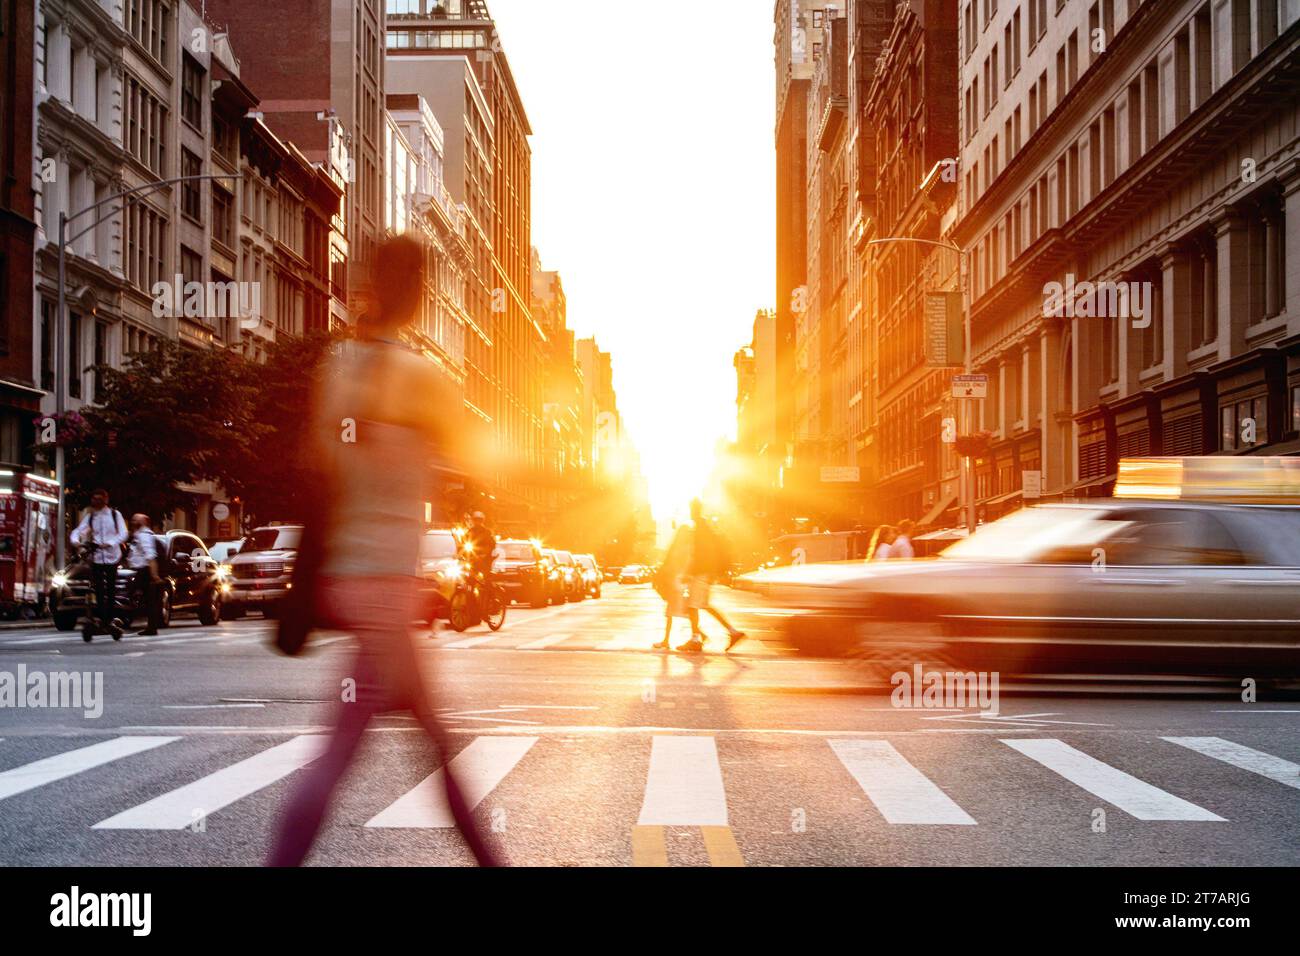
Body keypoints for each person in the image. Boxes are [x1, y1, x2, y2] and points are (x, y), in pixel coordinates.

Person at [267, 234, 498, 868]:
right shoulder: (417, 376)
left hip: (349, 577)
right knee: (392, 749)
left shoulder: (339, 366)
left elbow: (319, 469)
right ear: (420, 293)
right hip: (389, 591)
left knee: (406, 742)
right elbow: (484, 455)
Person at [678, 499, 745, 653]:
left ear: (695, 509)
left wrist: (690, 572)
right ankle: (733, 632)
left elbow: (700, 554)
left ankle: (695, 640)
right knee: (704, 605)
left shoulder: (701, 529)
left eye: (692, 509)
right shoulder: (704, 527)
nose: (690, 512)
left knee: (692, 607)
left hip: (701, 573)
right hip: (705, 573)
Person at [69, 489, 128, 637]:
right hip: (96, 557)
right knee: (98, 590)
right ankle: (102, 619)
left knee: (110, 590)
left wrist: (110, 543)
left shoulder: (115, 515)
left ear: (106, 500)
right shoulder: (91, 517)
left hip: (112, 557)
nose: (96, 502)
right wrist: (77, 542)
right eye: (94, 499)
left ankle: (109, 619)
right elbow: (78, 531)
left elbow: (123, 533)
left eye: (99, 500)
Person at [652, 521, 697, 650]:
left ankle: (696, 636)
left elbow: (682, 564)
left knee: (678, 612)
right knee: (679, 612)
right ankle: (696, 636)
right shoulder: (687, 547)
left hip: (679, 582)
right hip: (679, 582)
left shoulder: (683, 547)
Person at [127, 514, 162, 635]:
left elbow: (150, 555)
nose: (133, 521)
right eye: (133, 519)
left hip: (144, 571)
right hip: (141, 571)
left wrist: (154, 574)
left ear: (144, 522)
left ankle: (151, 627)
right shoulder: (137, 535)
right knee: (147, 600)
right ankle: (151, 627)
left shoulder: (144, 536)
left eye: (137, 519)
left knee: (135, 596)